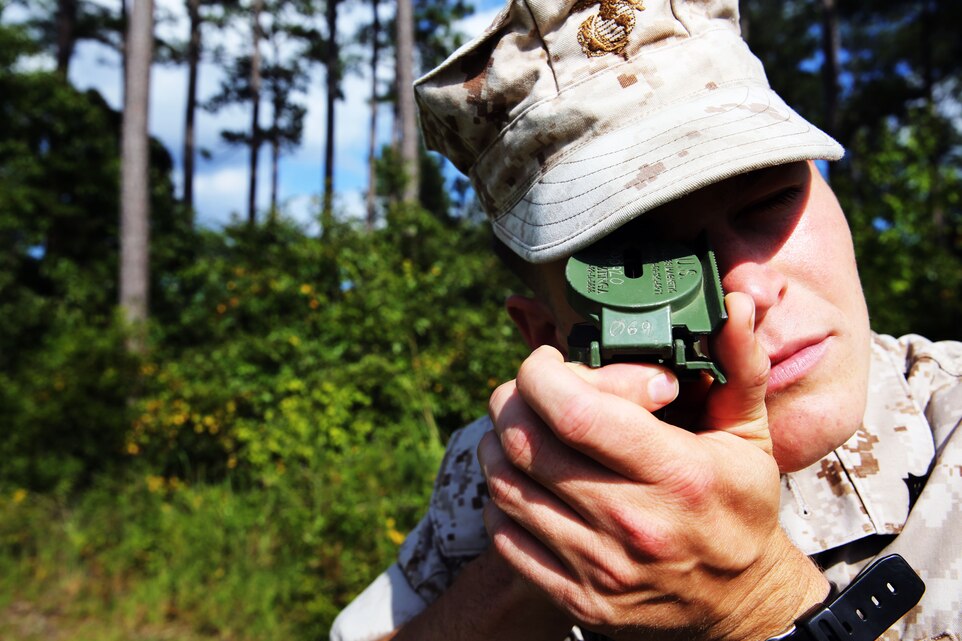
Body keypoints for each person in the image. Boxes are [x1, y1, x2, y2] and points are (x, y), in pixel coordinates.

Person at [332, 0, 962, 639]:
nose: (745, 291)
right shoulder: (490, 472)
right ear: (548, 336)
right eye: (646, 265)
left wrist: (758, 603)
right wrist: (536, 560)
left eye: (769, 200)